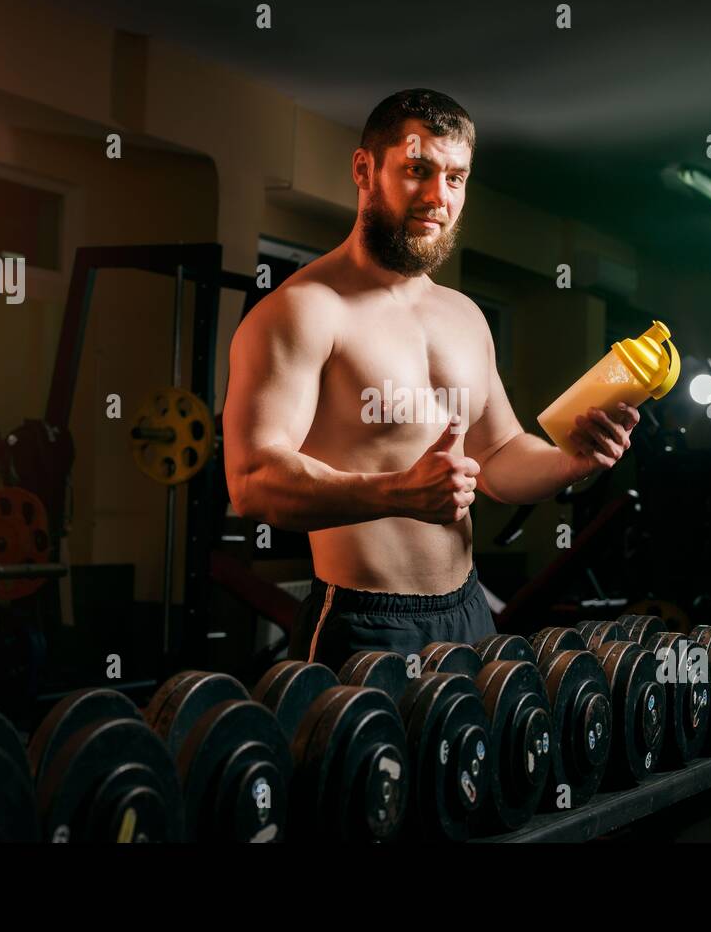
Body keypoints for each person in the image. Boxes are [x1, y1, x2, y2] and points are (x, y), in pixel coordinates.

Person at [223, 89, 638, 670]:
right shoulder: (304, 311)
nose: (438, 197)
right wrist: (398, 491)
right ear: (364, 169)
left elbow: (498, 456)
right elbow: (252, 481)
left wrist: (572, 463)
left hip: (469, 614)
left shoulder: (465, 317)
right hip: (365, 622)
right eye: (418, 171)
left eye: (455, 177)